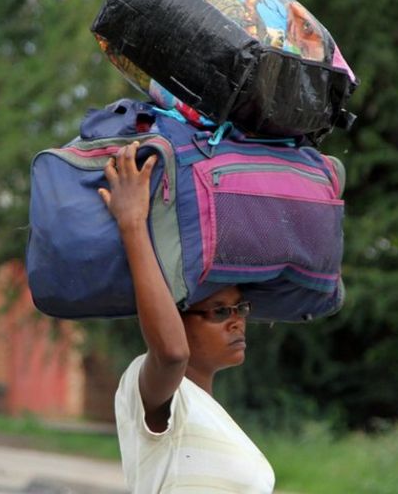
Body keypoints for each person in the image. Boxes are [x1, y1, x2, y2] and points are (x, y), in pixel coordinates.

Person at [98, 141, 275, 493]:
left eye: (240, 308)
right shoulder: (152, 389)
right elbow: (172, 354)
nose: (238, 321)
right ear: (176, 318)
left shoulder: (209, 413)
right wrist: (132, 223)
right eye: (220, 312)